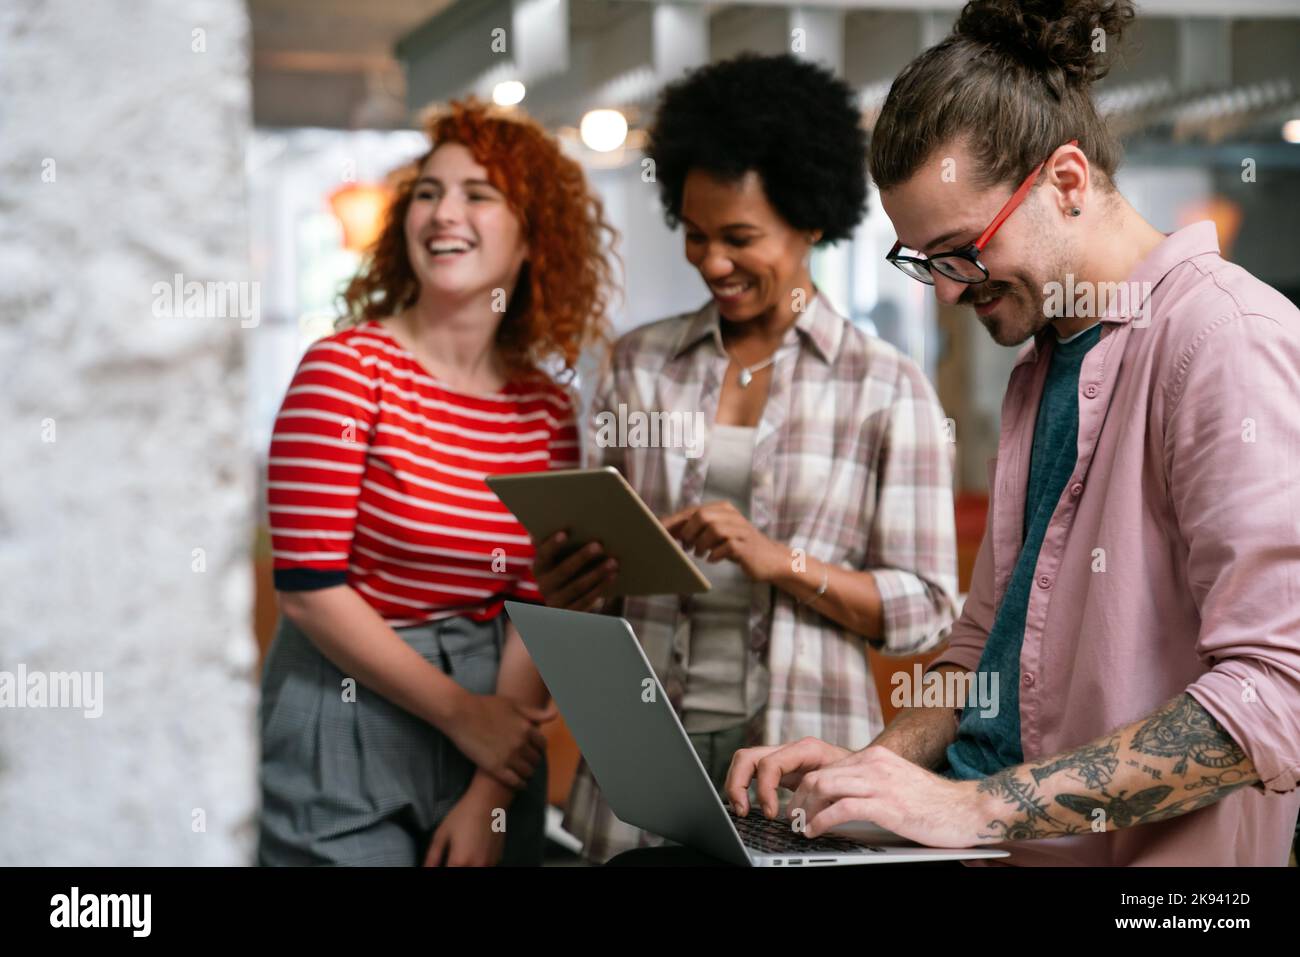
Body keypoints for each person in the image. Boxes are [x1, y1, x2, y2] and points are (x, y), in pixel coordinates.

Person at [727, 0, 1300, 867]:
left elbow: (1276, 693)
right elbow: (985, 650)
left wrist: (974, 807)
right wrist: (872, 773)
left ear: (1067, 182)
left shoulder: (1226, 340)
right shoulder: (1044, 361)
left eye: (961, 251)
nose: (947, 293)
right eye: (923, 262)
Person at [532, 53, 961, 863]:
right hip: (642, 753)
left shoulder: (885, 386)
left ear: (809, 219)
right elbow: (604, 583)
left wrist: (780, 560)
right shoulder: (639, 365)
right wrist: (571, 581)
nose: (713, 262)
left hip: (794, 766)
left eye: (739, 238)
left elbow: (928, 609)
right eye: (695, 236)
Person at [258, 99, 616, 866]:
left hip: (496, 729)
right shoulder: (346, 370)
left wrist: (489, 781)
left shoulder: (545, 406)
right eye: (427, 192)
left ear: (532, 240)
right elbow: (308, 590)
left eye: (478, 194)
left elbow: (534, 603)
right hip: (348, 710)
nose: (443, 211)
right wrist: (462, 714)